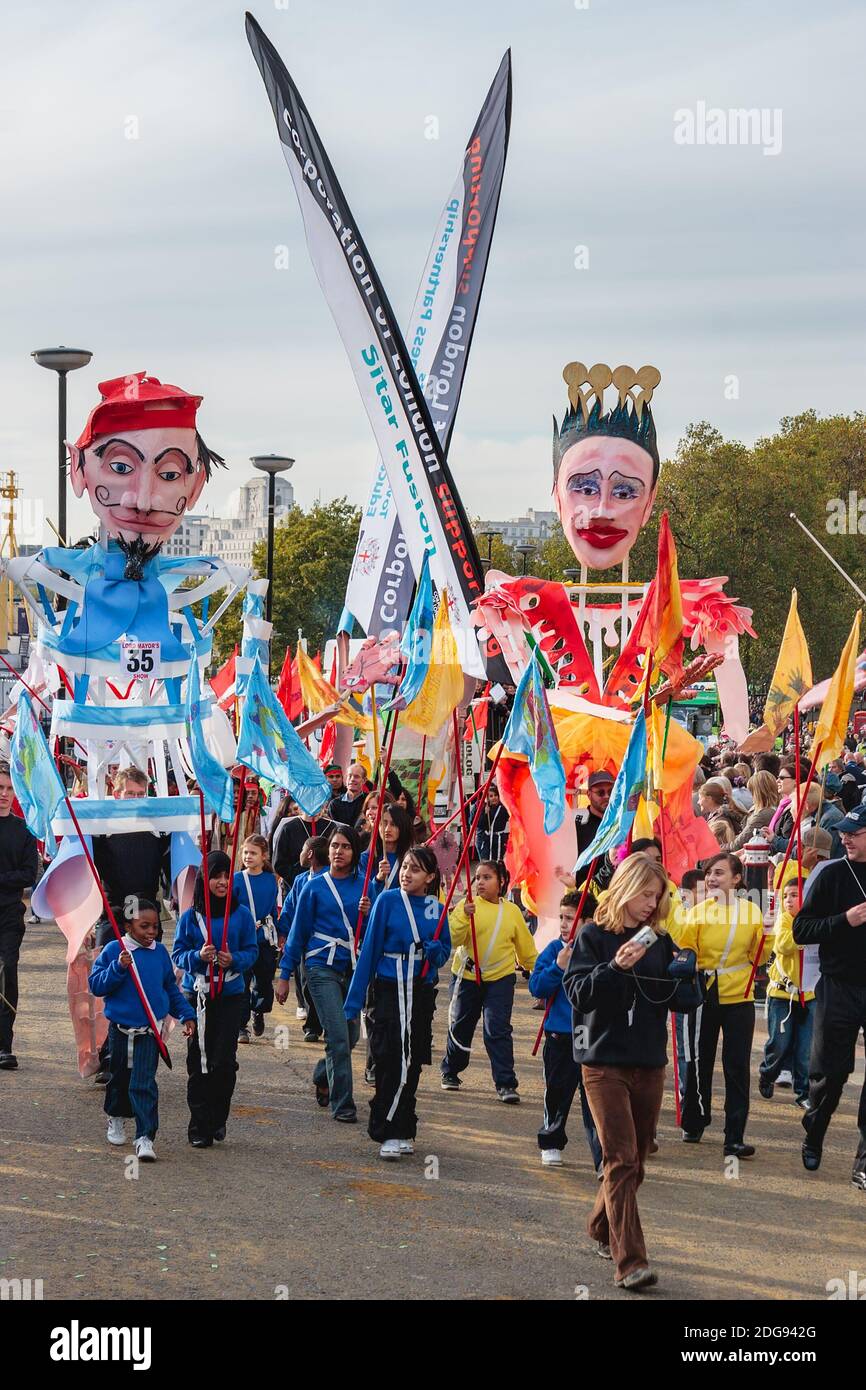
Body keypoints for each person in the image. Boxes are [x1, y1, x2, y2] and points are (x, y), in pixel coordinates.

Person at [563, 853, 699, 1291]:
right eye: (644, 893)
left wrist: (688, 975)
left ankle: (602, 1226)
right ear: (624, 887)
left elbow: (682, 1003)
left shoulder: (660, 940)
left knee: (637, 1160)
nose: (650, 903)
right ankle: (631, 1263)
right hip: (602, 1063)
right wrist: (615, 967)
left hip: (649, 1061)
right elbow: (579, 995)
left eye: (656, 896)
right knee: (619, 1159)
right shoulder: (593, 937)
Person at [344, 847, 450, 1160]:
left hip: (420, 990)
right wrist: (353, 1001)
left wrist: (435, 951)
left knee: (413, 1058)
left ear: (430, 877)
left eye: (416, 870)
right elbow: (370, 951)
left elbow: (445, 951)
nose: (406, 874)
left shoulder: (436, 907)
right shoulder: (387, 901)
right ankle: (386, 1128)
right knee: (389, 1056)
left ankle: (404, 1127)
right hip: (389, 987)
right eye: (405, 867)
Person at [274, 825, 371, 1122]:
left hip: (352, 969)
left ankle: (323, 1073)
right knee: (339, 1036)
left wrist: (369, 912)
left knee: (350, 1034)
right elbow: (298, 932)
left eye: (345, 846)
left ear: (355, 852)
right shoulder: (313, 886)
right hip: (319, 966)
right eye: (334, 846)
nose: (338, 851)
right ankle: (343, 1105)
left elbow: (372, 933)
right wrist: (284, 973)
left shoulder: (367, 887)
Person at [793, 801, 866, 1187]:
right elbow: (801, 931)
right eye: (843, 833)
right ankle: (814, 1132)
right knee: (830, 1074)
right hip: (838, 985)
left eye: (854, 834)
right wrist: (845, 920)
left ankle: (863, 1161)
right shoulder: (832, 874)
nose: (845, 839)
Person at [88, 898, 195, 1161]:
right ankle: (116, 1116)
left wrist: (187, 1014)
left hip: (150, 1031)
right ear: (127, 925)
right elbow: (97, 985)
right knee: (121, 1079)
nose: (151, 932)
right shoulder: (115, 950)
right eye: (144, 926)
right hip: (121, 1030)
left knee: (144, 1083)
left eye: (155, 926)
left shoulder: (159, 953)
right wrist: (118, 968)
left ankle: (145, 1136)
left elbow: (170, 987)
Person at [676, 852, 766, 1157]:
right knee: (698, 1060)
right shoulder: (696, 914)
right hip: (703, 994)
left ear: (737, 879)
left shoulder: (753, 913)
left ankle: (734, 1136)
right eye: (709, 873)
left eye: (719, 873)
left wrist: (766, 935)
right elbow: (685, 955)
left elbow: (760, 959)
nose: (712, 879)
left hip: (740, 996)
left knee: (737, 1067)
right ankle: (694, 1120)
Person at [172, 851, 258, 1148]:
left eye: (226, 876)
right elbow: (178, 954)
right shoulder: (189, 917)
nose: (222, 882)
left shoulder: (242, 914)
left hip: (231, 996)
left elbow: (252, 952)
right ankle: (198, 1126)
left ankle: (218, 1117)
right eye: (216, 876)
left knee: (223, 1062)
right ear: (204, 880)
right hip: (196, 996)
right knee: (198, 1061)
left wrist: (234, 959)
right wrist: (198, 956)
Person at [440, 860, 538, 1102]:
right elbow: (452, 940)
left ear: (501, 881)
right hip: (467, 976)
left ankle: (506, 1083)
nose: (480, 882)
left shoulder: (513, 912)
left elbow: (526, 950)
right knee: (461, 1026)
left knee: (497, 1029)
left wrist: (537, 973)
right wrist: (463, 915)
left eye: (487, 877)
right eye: (478, 878)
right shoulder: (467, 905)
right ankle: (451, 1070)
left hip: (501, 979)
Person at [530, 890, 603, 1173]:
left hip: (591, 1034)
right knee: (557, 1092)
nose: (563, 923)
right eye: (561, 917)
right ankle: (551, 1141)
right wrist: (558, 967)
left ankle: (601, 1156)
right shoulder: (552, 950)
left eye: (570, 918)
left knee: (595, 1099)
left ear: (588, 921)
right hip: (559, 1034)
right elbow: (537, 987)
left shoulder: (597, 950)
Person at [758, 875, 815, 1109]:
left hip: (809, 995)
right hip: (782, 995)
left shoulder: (815, 920)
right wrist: (806, 937)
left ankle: (803, 1092)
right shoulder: (784, 920)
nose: (789, 900)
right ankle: (768, 1072)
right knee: (779, 1043)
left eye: (795, 895)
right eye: (786, 896)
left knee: (805, 1049)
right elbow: (783, 944)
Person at [0, 764, 39, 1070]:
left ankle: (4, 1045)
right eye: (0, 788)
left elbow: (28, 874)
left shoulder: (23, 829)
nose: (4, 795)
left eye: (8, 789)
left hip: (10, 914)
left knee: (6, 970)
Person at [276, 835, 328, 1042]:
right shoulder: (300, 880)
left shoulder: (329, 879)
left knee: (319, 983)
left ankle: (318, 1023)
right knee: (305, 982)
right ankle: (313, 1024)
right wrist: (282, 931)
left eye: (303, 848)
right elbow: (289, 908)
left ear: (310, 854)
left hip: (323, 942)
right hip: (303, 942)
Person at [234, 834, 280, 1043]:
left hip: (264, 938)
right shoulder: (236, 879)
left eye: (253, 853)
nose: (248, 856)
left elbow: (272, 909)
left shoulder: (271, 880)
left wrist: (278, 934)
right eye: (245, 852)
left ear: (264, 856)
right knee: (241, 981)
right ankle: (241, 1025)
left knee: (263, 979)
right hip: (243, 939)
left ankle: (258, 1011)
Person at [359, 803, 413, 899]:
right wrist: (379, 878)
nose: (387, 829)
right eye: (383, 823)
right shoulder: (365, 858)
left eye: (393, 824)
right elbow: (362, 895)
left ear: (402, 827)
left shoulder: (410, 859)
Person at [574, 770, 614, 887]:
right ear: (589, 794)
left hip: (613, 892)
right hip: (584, 894)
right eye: (601, 793)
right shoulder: (578, 824)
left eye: (611, 792)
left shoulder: (618, 823)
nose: (607, 796)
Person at [730, 770, 780, 850]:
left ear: (757, 793)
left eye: (751, 792)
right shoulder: (761, 808)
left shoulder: (764, 813)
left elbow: (738, 844)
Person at [475, 784, 510, 863]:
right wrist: (484, 814)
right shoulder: (484, 807)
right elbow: (480, 825)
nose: (494, 797)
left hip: (498, 840)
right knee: (486, 862)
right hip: (486, 840)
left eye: (495, 795)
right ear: (487, 798)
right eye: (491, 796)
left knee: (497, 862)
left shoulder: (503, 808)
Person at [329, 763, 369, 829]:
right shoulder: (335, 804)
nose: (352, 779)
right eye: (349, 776)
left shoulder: (368, 801)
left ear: (364, 780)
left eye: (356, 776)